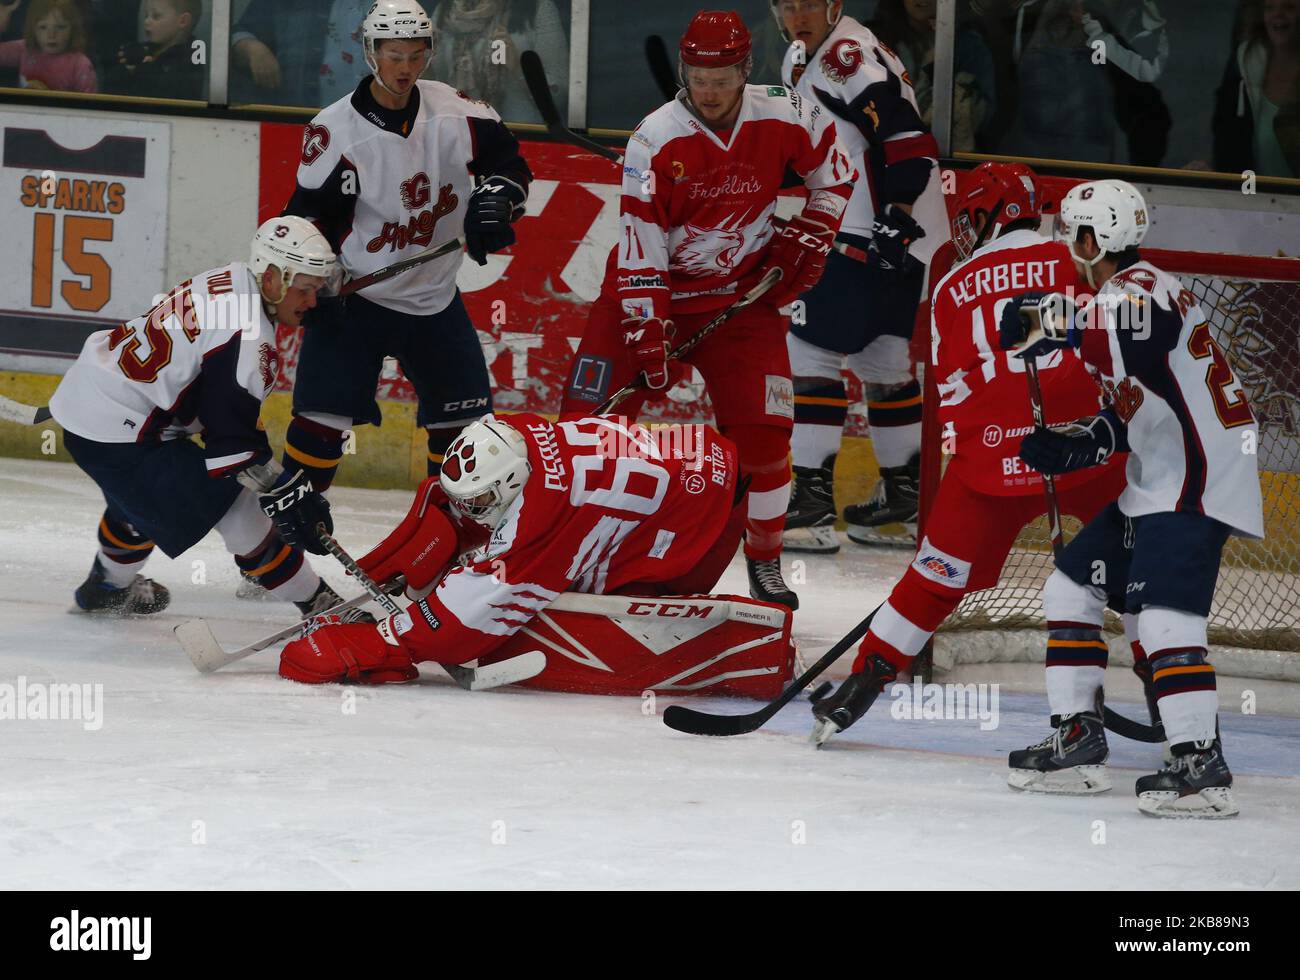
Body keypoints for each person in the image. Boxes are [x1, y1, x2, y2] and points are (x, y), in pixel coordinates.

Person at [807, 162, 1128, 745]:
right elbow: (1117, 352)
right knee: (1140, 569)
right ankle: (1172, 691)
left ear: (984, 216)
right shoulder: (1079, 260)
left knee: (932, 578)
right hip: (1088, 450)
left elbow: (948, 395)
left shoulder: (951, 281)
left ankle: (858, 688)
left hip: (986, 462)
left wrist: (986, 452)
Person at [559, 10, 855, 610]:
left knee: (768, 445)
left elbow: (838, 173)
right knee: (583, 434)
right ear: (683, 72)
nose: (711, 90)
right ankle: (562, 550)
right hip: (642, 298)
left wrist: (815, 230)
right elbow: (641, 241)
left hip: (740, 301)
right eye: (699, 76)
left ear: (746, 70)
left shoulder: (785, 111)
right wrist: (646, 329)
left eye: (722, 76)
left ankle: (765, 562)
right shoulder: (654, 138)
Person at [997, 179, 1264, 818]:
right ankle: (1078, 738)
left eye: (1072, 233)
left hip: (1196, 482)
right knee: (1069, 587)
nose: (1068, 243)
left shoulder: (1139, 290)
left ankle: (1201, 767)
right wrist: (1081, 443)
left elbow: (1137, 331)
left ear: (1095, 238)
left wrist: (1043, 318)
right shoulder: (1120, 298)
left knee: (1166, 618)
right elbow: (1135, 411)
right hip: (1160, 479)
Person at [278, 413, 796, 696]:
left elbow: (461, 627)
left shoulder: (544, 512)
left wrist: (380, 639)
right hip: (697, 455)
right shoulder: (513, 431)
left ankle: (744, 645)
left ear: (509, 483)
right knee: (569, 559)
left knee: (577, 595)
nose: (474, 513)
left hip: (699, 520)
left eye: (481, 502)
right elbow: (458, 499)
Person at [46, 217, 368, 621]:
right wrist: (286, 492)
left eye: (316, 290)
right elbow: (232, 452)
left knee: (144, 504)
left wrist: (278, 481)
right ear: (272, 279)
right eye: (304, 290)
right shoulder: (251, 344)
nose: (311, 302)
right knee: (240, 513)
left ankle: (105, 588)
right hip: (121, 430)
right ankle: (321, 607)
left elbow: (219, 408)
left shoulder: (232, 276)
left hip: (92, 400)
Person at [278, 0, 531, 504]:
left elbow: (512, 169)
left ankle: (449, 555)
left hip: (435, 301)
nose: (405, 68)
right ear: (371, 51)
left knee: (466, 444)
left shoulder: (459, 113)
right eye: (394, 54)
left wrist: (498, 202)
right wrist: (312, 279)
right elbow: (306, 221)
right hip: (354, 302)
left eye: (416, 55)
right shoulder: (334, 133)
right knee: (318, 434)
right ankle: (278, 553)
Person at [771, 0, 947, 554]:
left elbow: (908, 138)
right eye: (786, 3)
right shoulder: (810, 56)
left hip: (874, 229)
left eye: (807, 3)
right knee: (883, 361)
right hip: (906, 231)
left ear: (834, 6)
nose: (795, 13)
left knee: (809, 353)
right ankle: (904, 500)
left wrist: (894, 215)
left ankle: (811, 505)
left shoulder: (844, 57)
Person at [428, 0, 569, 125]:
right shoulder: (446, 11)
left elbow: (560, 96)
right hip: (461, 135)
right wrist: (424, 57)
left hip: (524, 136)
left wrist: (518, 66)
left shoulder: (538, 8)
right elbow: (434, 86)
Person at [1213, 0, 1300, 179]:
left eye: (1289, 7)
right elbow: (1227, 145)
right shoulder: (1245, 63)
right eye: (1270, 7)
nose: (1278, 14)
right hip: (1252, 202)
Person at [109, 0, 205, 101]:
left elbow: (169, 95)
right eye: (146, 15)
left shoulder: (191, 59)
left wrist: (144, 68)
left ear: (183, 21)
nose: (146, 21)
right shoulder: (145, 49)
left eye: (156, 16)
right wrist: (126, 66)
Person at [0, 0, 97, 93]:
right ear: (32, 28)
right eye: (43, 27)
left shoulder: (80, 65)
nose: (51, 35)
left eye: (60, 27)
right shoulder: (26, 48)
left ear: (73, 30)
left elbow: (89, 104)